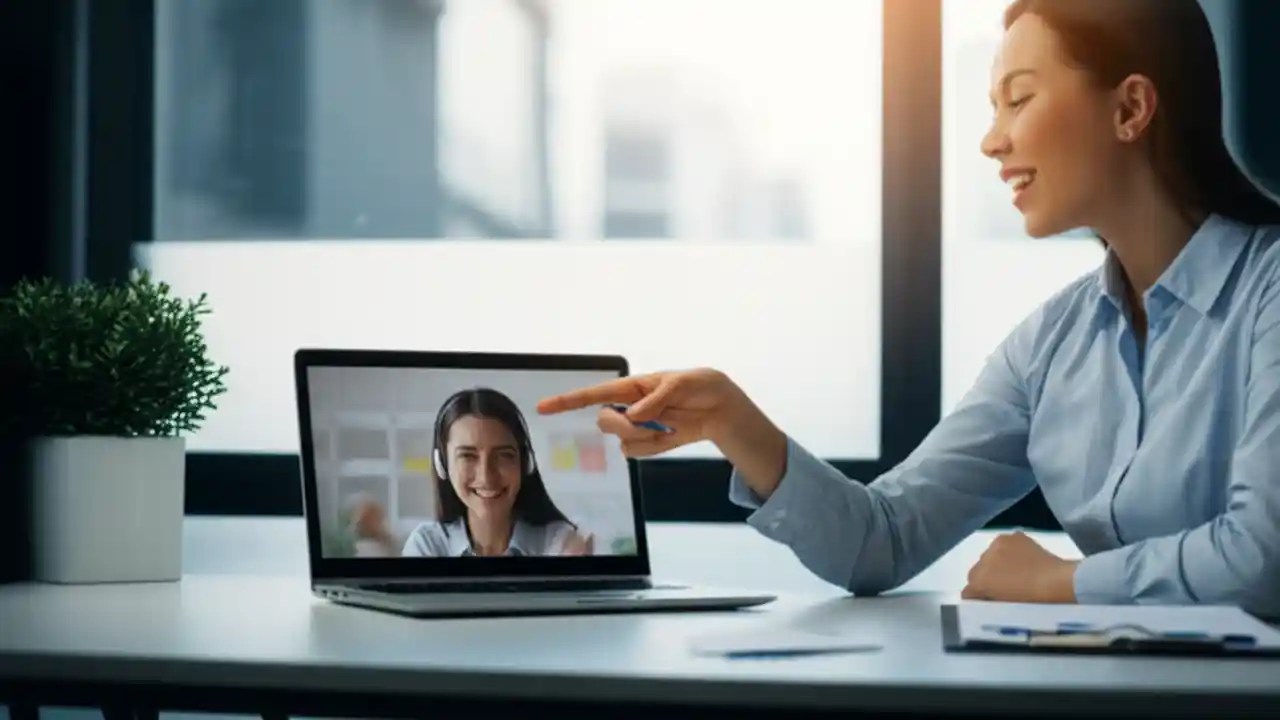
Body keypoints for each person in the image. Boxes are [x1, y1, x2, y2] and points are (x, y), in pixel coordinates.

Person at [537, 0, 1280, 615]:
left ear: (1131, 108)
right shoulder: (1053, 344)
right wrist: (734, 423)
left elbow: (1262, 559)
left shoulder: (1269, 287)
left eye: (1019, 98)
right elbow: (883, 540)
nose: (992, 140)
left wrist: (1059, 581)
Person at [403, 387, 594, 557]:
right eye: (468, 456)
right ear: (442, 464)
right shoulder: (427, 545)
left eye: (503, 455)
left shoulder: (560, 543)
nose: (486, 476)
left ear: (525, 462)